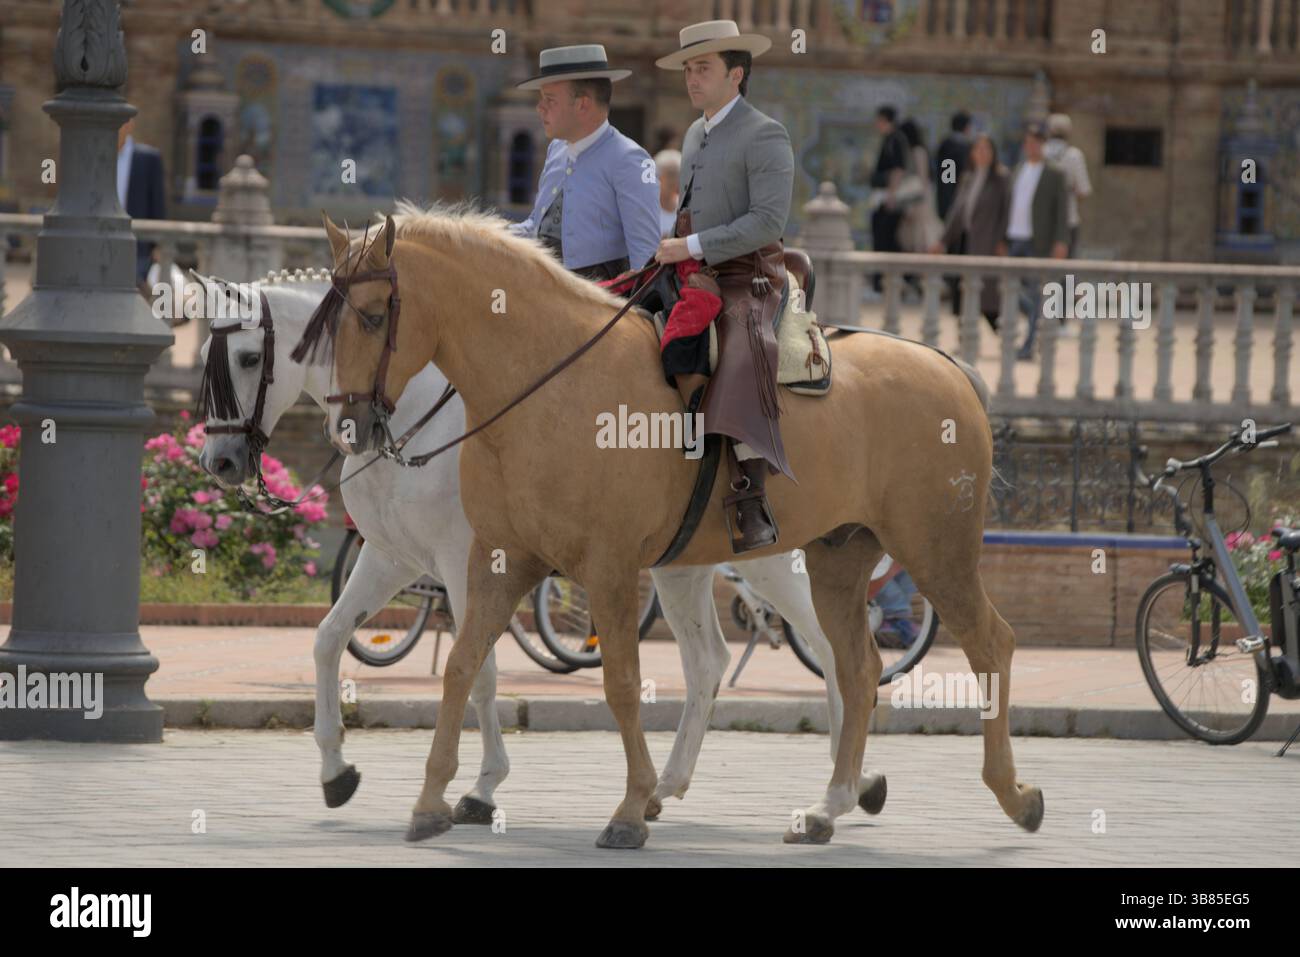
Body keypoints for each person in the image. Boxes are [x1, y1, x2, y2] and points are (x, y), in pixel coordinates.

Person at [653, 18, 794, 553]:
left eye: (703, 69)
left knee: (739, 351)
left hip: (748, 275)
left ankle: (748, 492)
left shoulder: (765, 134)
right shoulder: (693, 133)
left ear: (736, 74)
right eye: (689, 69)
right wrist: (672, 249)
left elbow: (767, 222)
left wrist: (691, 248)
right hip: (692, 268)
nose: (693, 79)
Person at [511, 44, 660, 281]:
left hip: (597, 301)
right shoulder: (556, 149)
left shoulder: (629, 159)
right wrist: (482, 233)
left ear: (583, 104)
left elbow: (645, 256)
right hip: (541, 286)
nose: (540, 108)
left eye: (550, 100)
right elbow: (537, 225)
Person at [930, 132, 1010, 332]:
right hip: (965, 241)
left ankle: (1003, 330)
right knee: (963, 290)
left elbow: (1006, 212)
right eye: (978, 149)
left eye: (986, 149)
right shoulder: (967, 177)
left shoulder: (1000, 178)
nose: (982, 153)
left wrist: (1003, 239)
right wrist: (942, 241)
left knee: (989, 294)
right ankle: (964, 333)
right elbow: (957, 214)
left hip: (988, 241)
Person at [1005, 122, 1068, 360]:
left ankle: (1029, 343)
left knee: (1033, 291)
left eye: (1036, 142)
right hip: (1015, 237)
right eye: (1028, 142)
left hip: (1037, 240)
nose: (1031, 147)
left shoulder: (1054, 173)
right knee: (1011, 291)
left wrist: (1061, 241)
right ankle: (1036, 318)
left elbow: (1062, 211)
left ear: (1043, 144)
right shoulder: (1019, 170)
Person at [116, 117, 166, 292]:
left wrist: (158, 243)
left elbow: (157, 202)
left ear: (130, 125)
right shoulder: (97, 157)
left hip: (139, 243)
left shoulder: (148, 158)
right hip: (103, 238)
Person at [868, 105, 909, 292]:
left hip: (888, 199)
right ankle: (881, 282)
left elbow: (898, 169)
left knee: (885, 240)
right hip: (882, 197)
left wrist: (891, 196)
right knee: (880, 238)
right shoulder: (889, 139)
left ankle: (884, 284)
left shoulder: (896, 139)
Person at [1044, 113, 1092, 259]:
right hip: (1068, 220)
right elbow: (1083, 191)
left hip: (1041, 221)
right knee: (1066, 273)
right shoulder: (1074, 155)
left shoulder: (1041, 152)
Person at [896, 118, 943, 256]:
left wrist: (914, 202)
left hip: (919, 197)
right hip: (915, 195)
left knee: (922, 230)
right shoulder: (912, 151)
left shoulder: (918, 151)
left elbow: (923, 178)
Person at [934, 110, 972, 221]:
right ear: (966, 127)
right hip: (954, 198)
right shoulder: (957, 146)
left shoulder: (946, 144)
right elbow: (949, 177)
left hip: (947, 195)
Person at [653, 148, 682, 238]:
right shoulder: (646, 209)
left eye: (677, 173)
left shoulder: (686, 207)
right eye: (670, 174)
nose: (674, 180)